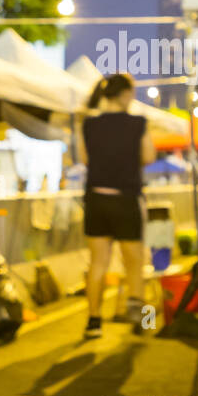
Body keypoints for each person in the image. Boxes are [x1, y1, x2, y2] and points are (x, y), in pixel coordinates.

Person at [78, 74, 156, 340]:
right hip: (125, 198)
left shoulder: (88, 124)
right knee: (134, 261)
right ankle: (141, 320)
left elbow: (85, 158)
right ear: (125, 94)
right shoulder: (137, 123)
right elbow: (148, 156)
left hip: (96, 199)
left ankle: (93, 322)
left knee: (98, 263)